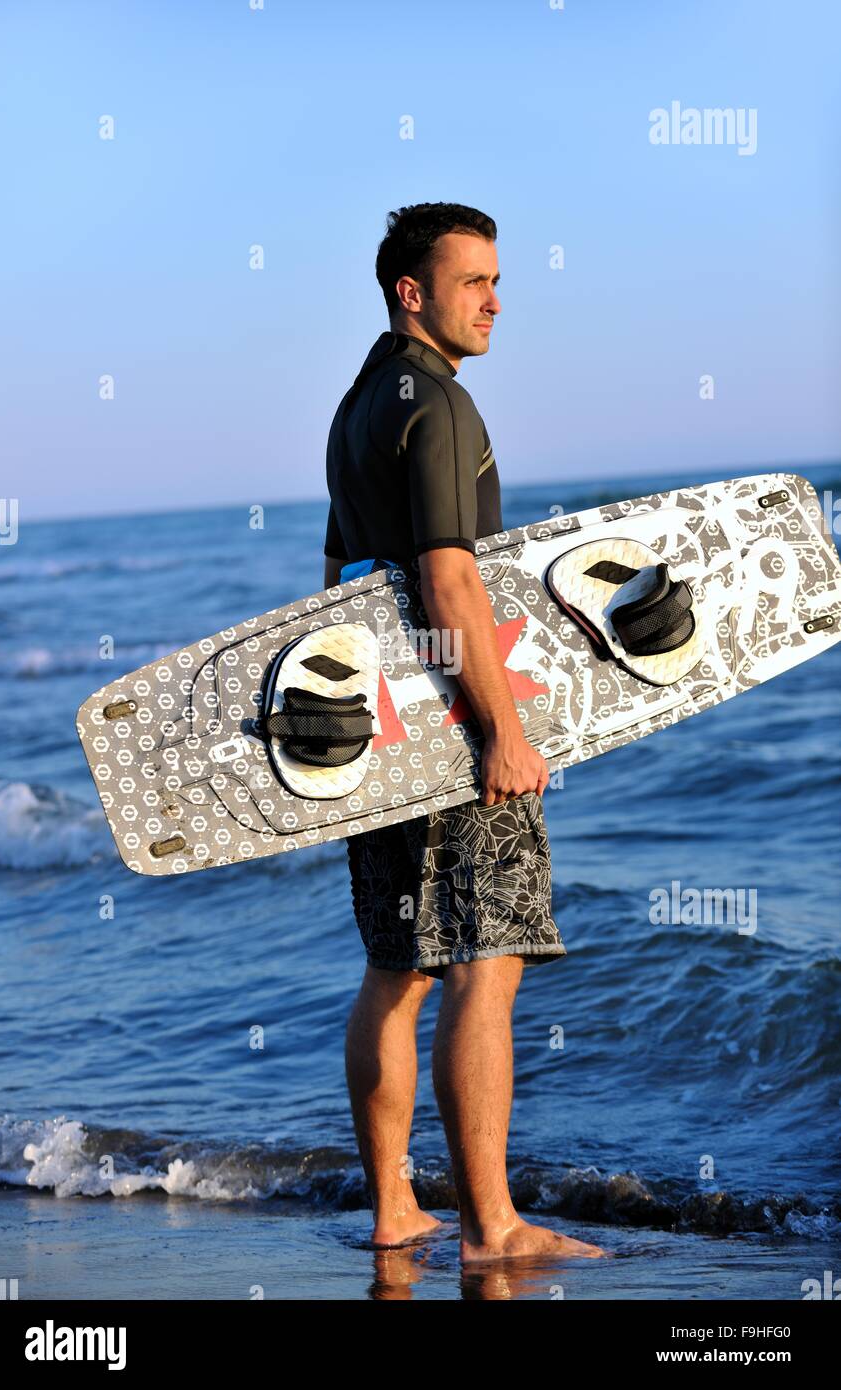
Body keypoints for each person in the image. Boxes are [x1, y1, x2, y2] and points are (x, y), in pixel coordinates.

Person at [323, 202, 605, 1263]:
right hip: (451, 731)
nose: (494, 299)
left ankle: (394, 1209)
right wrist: (498, 730)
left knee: (397, 966)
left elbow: (339, 587)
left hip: (384, 732)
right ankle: (493, 1229)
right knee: (487, 960)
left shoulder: (357, 408)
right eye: (473, 280)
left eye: (496, 279)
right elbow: (447, 575)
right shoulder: (437, 404)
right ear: (412, 291)